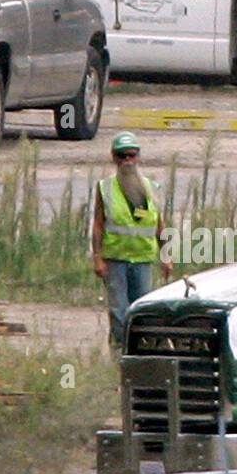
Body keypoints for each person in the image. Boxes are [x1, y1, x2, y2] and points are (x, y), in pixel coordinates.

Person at [92, 132, 171, 349]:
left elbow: (159, 224)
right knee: (119, 312)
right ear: (114, 158)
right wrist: (97, 258)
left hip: (143, 260)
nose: (127, 160)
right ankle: (119, 355)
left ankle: (140, 354)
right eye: (122, 155)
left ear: (138, 157)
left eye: (131, 155)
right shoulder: (105, 188)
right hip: (115, 260)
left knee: (142, 311)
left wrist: (166, 256)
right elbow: (98, 224)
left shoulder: (151, 189)